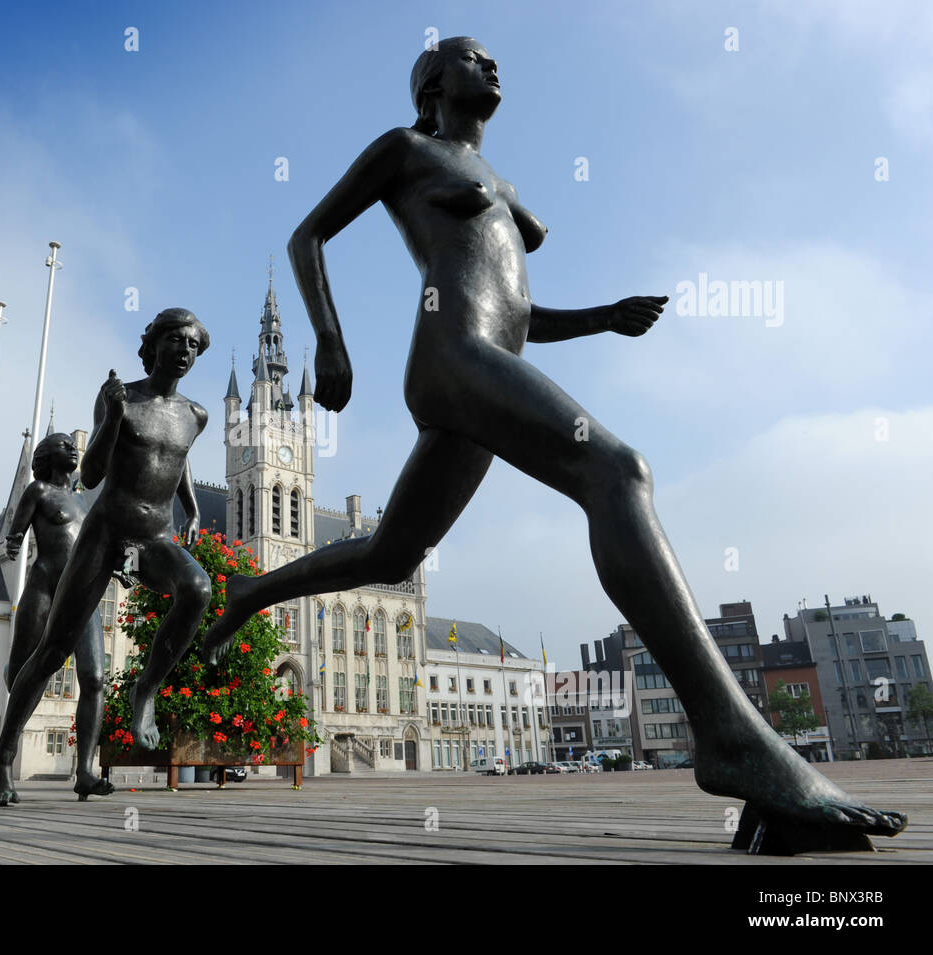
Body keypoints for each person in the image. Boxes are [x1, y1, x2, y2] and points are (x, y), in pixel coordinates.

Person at [203, 37, 905, 846]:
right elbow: (309, 235)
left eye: (494, 58)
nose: (491, 66)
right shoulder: (407, 149)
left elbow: (519, 312)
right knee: (617, 471)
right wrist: (330, 339)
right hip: (452, 356)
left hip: (490, 355)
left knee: (389, 557)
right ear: (433, 84)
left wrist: (603, 316)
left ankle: (245, 595)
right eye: (472, 57)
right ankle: (733, 736)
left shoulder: (498, 183)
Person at [0, 308, 211, 806]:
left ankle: (144, 692)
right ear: (153, 345)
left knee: (197, 589)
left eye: (194, 345)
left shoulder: (195, 415)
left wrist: (191, 507)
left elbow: (179, 455)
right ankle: (2, 756)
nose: (185, 351)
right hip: (106, 535)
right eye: (176, 340)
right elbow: (88, 473)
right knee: (50, 654)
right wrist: (111, 419)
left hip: (154, 538)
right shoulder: (120, 396)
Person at [1, 432, 114, 801]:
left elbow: (100, 544)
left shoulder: (84, 500)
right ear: (47, 456)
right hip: (46, 589)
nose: (73, 448)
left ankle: (84, 771)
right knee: (24, 674)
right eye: (64, 444)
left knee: (95, 678)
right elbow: (14, 534)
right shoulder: (37, 492)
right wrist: (15, 541)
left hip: (83, 594)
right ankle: (2, 759)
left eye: (73, 444)